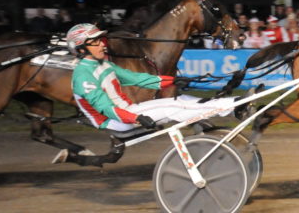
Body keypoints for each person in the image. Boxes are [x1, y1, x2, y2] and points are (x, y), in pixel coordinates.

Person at [62, 23, 236, 140]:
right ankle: (232, 105)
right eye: (96, 42)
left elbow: (138, 79)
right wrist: (135, 118)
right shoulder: (83, 75)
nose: (102, 45)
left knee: (181, 100)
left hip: (127, 112)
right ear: (81, 48)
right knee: (174, 107)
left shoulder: (103, 64)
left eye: (101, 40)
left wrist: (173, 80)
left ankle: (232, 108)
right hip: (118, 120)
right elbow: (106, 108)